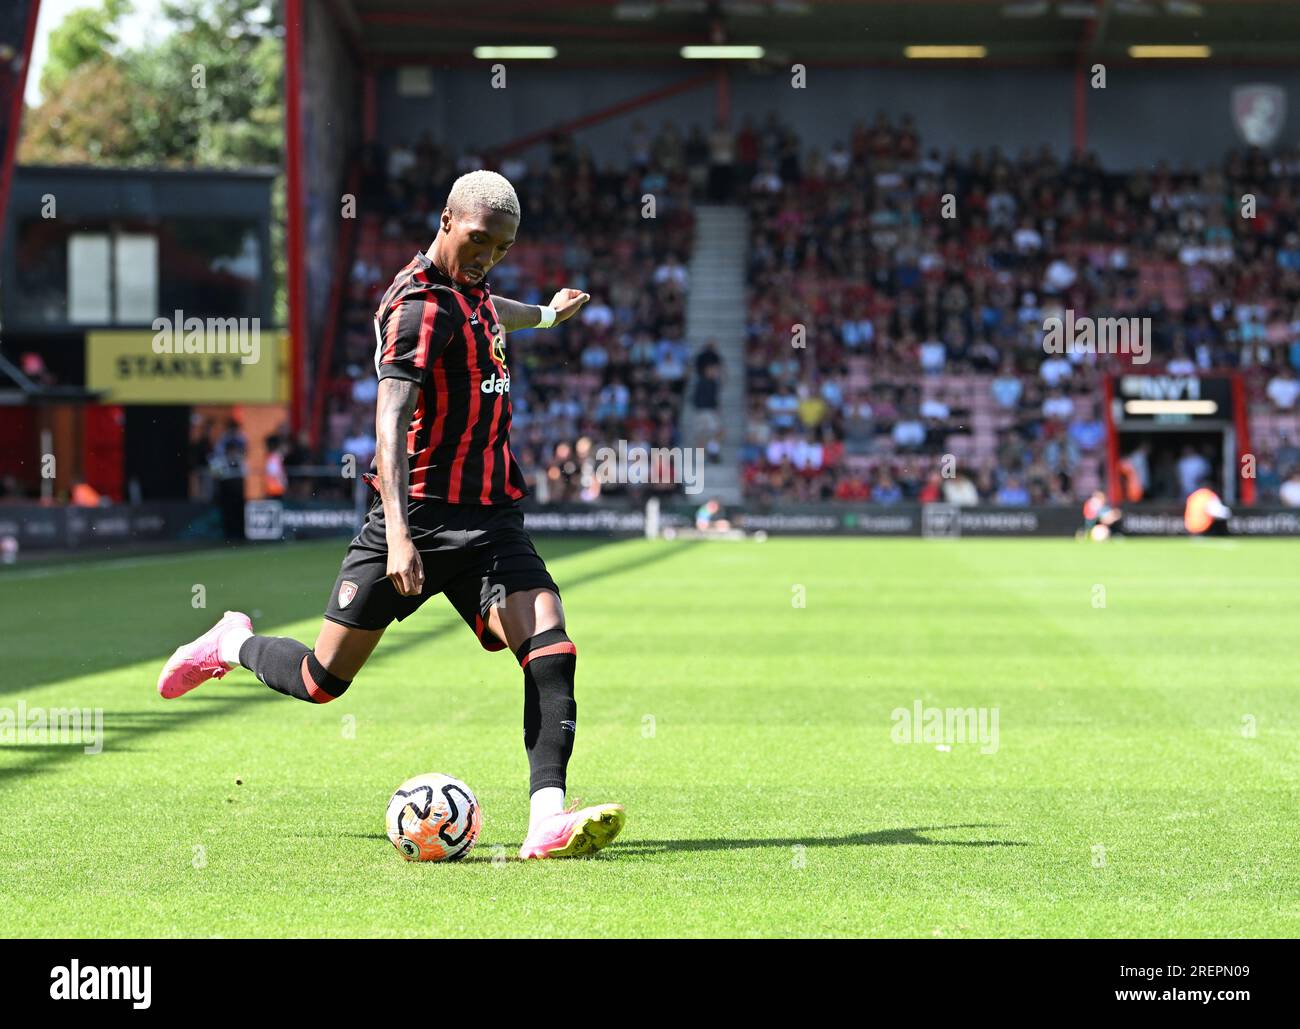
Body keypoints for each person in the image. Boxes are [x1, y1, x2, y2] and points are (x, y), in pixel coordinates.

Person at [157, 170, 625, 860]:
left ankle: (546, 819)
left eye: (501, 248)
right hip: (414, 516)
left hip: (492, 517)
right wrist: (401, 534)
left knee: (550, 643)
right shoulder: (415, 308)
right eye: (478, 241)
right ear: (445, 220)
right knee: (322, 680)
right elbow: (389, 420)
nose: (488, 257)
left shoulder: (476, 293)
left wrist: (552, 314)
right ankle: (229, 642)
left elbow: (504, 312)